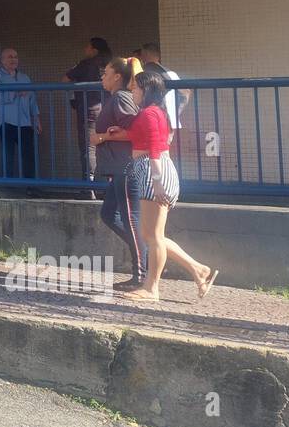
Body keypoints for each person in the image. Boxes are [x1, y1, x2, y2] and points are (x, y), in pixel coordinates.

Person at [108, 69, 217, 301]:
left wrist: (157, 182)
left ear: (146, 89)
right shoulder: (154, 112)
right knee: (152, 234)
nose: (132, 91)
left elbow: (156, 147)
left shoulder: (149, 113)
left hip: (153, 171)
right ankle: (199, 270)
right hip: (153, 170)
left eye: (136, 87)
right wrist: (124, 132)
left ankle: (151, 288)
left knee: (154, 236)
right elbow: (146, 138)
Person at [89, 57, 146, 288]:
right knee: (108, 214)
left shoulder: (121, 97)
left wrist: (102, 137)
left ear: (117, 77)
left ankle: (141, 273)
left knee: (131, 221)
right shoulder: (116, 98)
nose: (102, 77)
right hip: (117, 169)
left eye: (106, 73)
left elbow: (135, 131)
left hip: (126, 167)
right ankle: (146, 252)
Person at [64, 37, 113, 191]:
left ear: (94, 50)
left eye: (88, 47)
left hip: (89, 109)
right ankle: (111, 186)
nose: (85, 50)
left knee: (89, 146)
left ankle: (88, 186)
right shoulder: (112, 63)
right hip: (110, 109)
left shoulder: (86, 64)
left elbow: (65, 79)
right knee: (109, 145)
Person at [0, 47, 41, 193]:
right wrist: (15, 92)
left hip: (25, 123)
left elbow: (33, 100)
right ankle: (6, 188)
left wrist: (37, 119)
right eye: (9, 57)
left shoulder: (25, 78)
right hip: (6, 122)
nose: (13, 59)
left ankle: (31, 187)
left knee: (29, 156)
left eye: (15, 56)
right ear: (2, 61)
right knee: (7, 156)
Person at [138, 42, 188, 139]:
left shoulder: (148, 71)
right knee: (165, 151)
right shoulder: (171, 72)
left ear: (146, 54)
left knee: (155, 151)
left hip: (156, 119)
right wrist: (176, 112)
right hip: (171, 120)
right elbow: (186, 92)